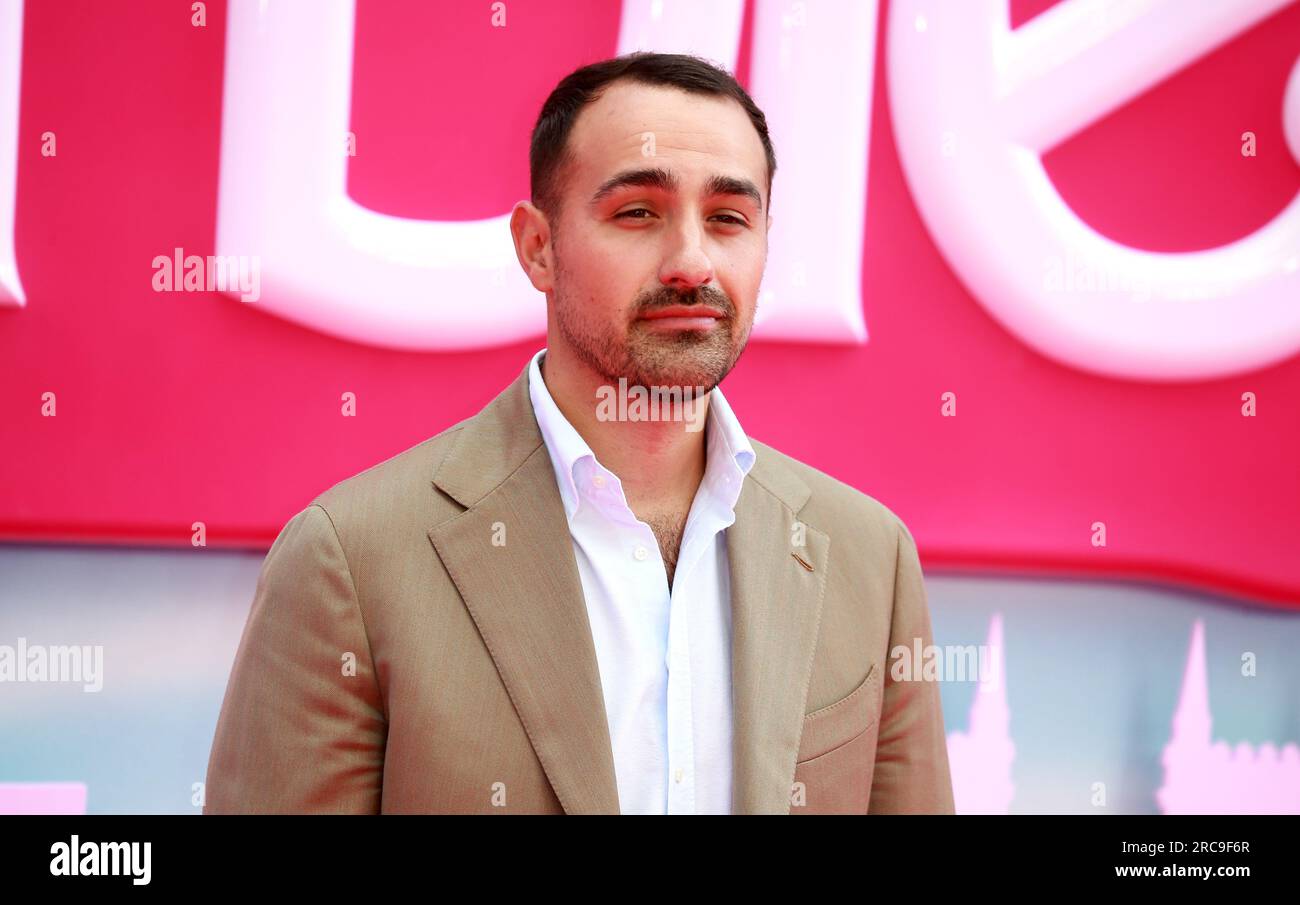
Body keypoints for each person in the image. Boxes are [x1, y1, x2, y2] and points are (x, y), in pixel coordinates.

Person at [204, 51, 954, 815]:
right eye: (637, 212)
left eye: (729, 218)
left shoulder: (869, 556)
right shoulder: (352, 560)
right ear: (537, 247)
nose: (692, 260)